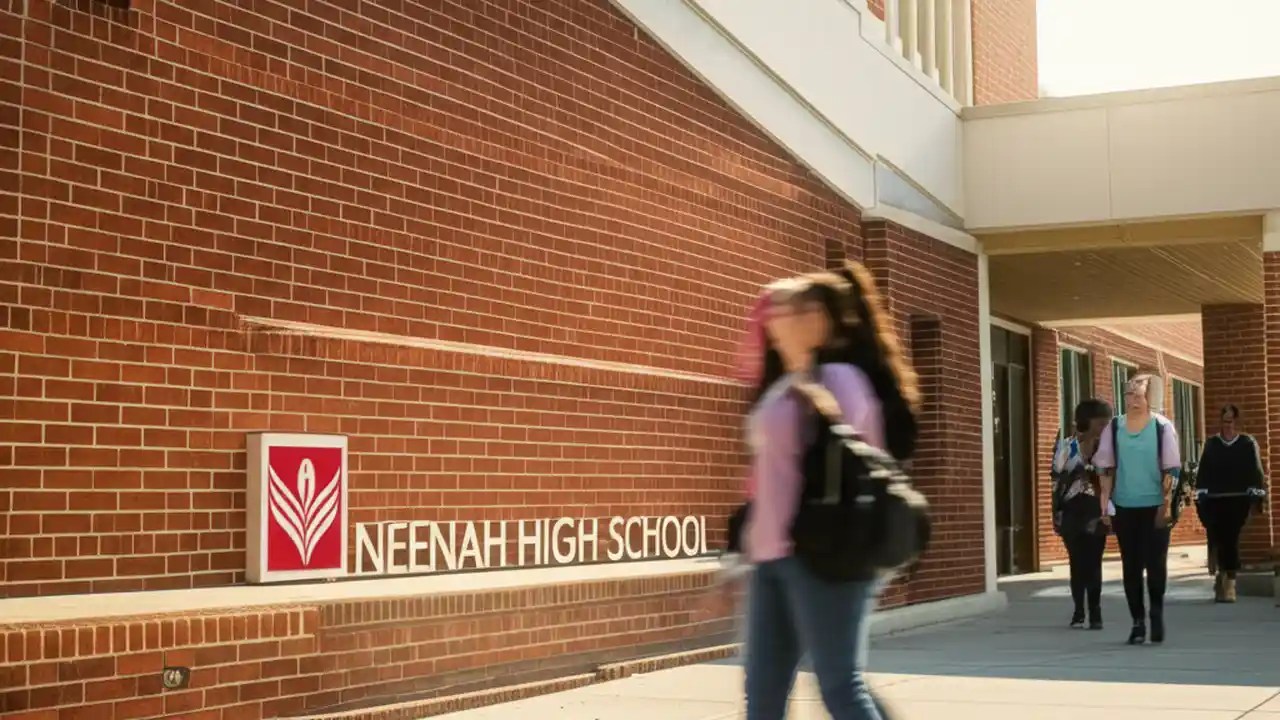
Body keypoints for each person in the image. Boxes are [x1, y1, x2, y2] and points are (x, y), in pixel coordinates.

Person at [742, 261, 918, 720]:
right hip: (771, 558)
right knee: (762, 694)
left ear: (815, 320)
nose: (771, 319)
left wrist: (817, 404)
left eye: (783, 310)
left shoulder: (840, 381)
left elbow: (858, 461)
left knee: (839, 684)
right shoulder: (783, 386)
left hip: (824, 554)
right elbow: (767, 476)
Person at [1094, 374, 1181, 645]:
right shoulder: (1114, 427)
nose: (1133, 400)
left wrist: (1165, 505)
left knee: (1155, 566)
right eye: (1129, 395)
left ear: (1150, 398)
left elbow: (1172, 469)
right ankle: (1138, 622)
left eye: (1139, 395)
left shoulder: (1161, 427)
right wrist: (1105, 504)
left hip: (1154, 506)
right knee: (1131, 567)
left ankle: (1156, 613)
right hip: (1125, 506)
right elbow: (1105, 468)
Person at [1051, 398, 1113, 630]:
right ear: (1087, 421)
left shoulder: (1107, 450)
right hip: (1071, 509)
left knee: (1094, 562)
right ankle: (1079, 610)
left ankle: (1095, 612)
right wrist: (1055, 512)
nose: (1105, 428)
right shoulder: (1067, 446)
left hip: (1096, 508)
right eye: (1101, 423)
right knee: (1077, 562)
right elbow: (1056, 480)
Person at [1196, 404, 1268, 603]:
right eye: (1224, 421)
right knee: (1217, 537)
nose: (1227, 425)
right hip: (1215, 500)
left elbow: (1256, 470)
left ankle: (1230, 582)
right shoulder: (1212, 445)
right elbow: (1204, 472)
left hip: (1238, 500)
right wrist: (1201, 493)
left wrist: (1257, 493)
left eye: (1231, 421)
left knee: (1231, 538)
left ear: (1237, 422)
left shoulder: (1246, 443)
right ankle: (1221, 575)